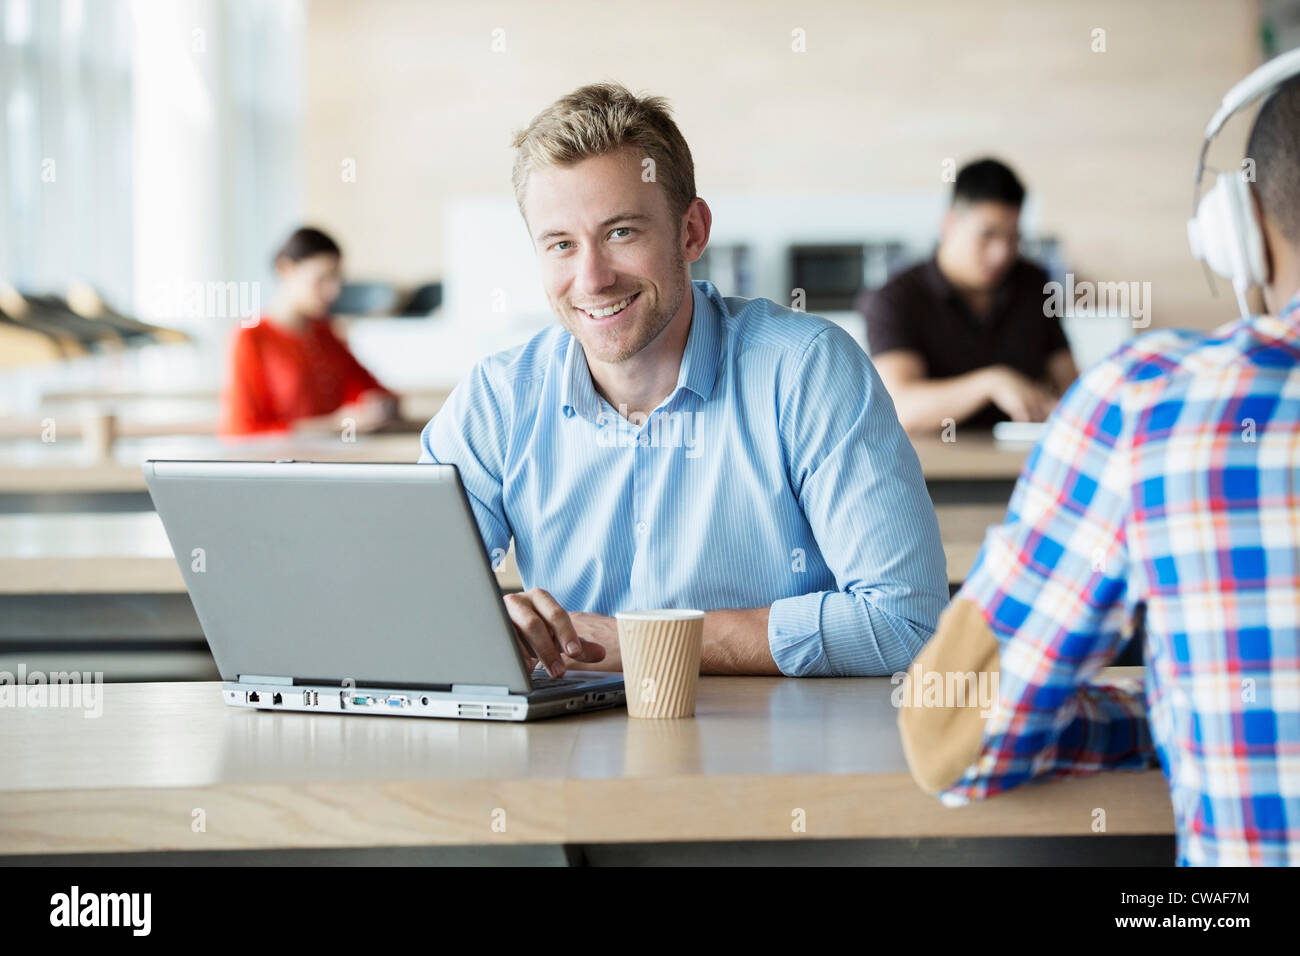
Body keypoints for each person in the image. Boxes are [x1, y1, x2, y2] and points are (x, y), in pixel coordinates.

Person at [897, 73, 1300, 865]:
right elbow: (901, 398)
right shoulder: (900, 296)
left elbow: (950, 733)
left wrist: (1182, 707)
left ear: (1239, 230)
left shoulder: (1149, 403)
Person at [419, 83, 947, 678]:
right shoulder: (496, 399)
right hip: (564, 755)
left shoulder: (808, 371)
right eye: (561, 244)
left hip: (772, 755)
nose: (591, 279)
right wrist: (489, 618)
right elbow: (407, 600)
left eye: (621, 232)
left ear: (692, 232)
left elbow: (907, 625)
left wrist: (643, 643)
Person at [860, 159, 1078, 434]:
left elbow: (1073, 390)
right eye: (988, 235)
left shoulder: (1034, 283)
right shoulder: (895, 299)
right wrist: (992, 383)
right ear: (950, 224)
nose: (1002, 253)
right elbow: (901, 407)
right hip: (934, 472)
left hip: (1025, 466)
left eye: (1013, 238)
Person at [220, 227, 398, 436]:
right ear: (285, 269)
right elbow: (241, 431)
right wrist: (336, 423)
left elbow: (374, 391)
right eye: (322, 278)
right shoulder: (251, 337)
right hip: (280, 464)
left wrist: (378, 406)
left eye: (337, 279)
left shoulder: (325, 334)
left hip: (335, 459)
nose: (334, 291)